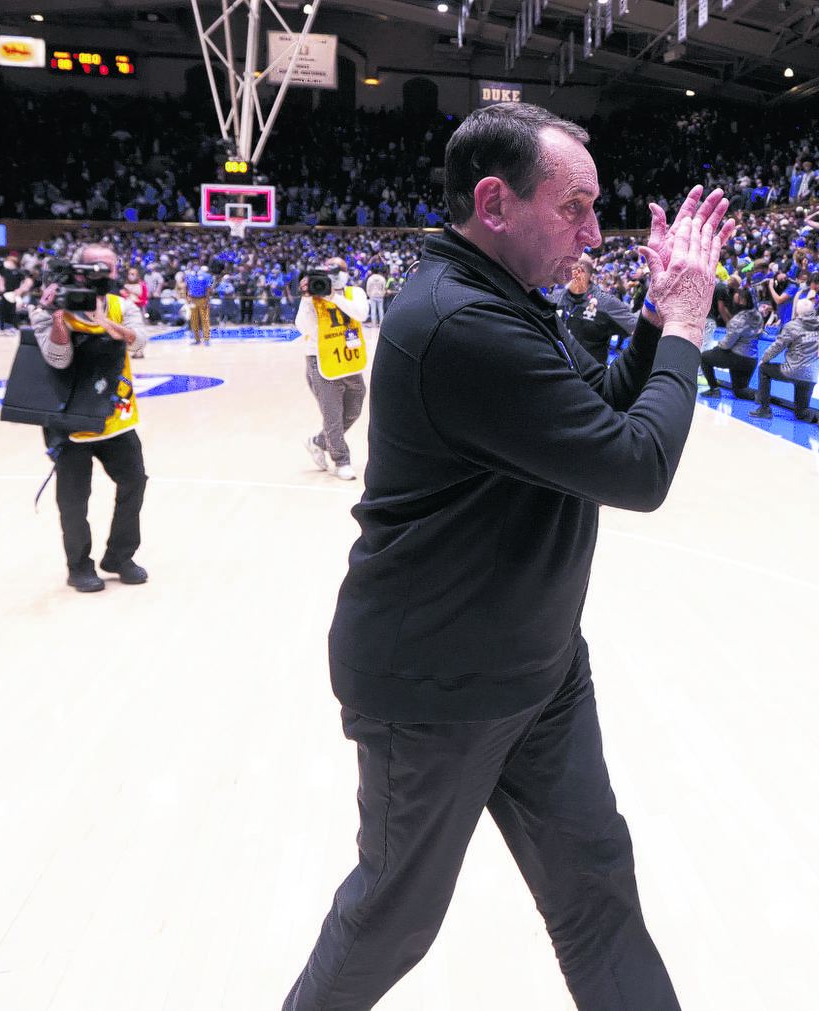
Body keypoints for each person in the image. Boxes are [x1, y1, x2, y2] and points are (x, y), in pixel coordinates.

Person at [281, 103, 732, 1011]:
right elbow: (635, 467)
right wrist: (685, 325)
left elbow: (595, 415)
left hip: (538, 666)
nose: (595, 231)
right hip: (436, 684)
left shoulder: (504, 297)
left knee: (597, 891)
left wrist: (648, 324)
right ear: (494, 201)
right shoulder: (458, 322)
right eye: (575, 207)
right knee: (392, 922)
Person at [28, 244, 149, 594]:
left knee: (135, 481)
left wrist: (103, 322)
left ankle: (120, 557)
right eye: (97, 266)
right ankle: (79, 565)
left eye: (110, 267)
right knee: (73, 498)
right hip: (69, 419)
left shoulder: (121, 305)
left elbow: (139, 343)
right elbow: (58, 360)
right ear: (77, 269)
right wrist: (55, 317)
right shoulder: (47, 311)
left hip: (115, 415)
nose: (106, 273)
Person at [297, 257, 369, 482]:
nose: (336, 274)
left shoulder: (354, 293)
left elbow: (361, 314)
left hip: (349, 359)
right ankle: (341, 460)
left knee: (354, 409)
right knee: (333, 414)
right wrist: (309, 299)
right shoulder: (312, 297)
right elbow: (303, 328)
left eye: (340, 269)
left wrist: (333, 297)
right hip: (320, 360)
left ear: (348, 272)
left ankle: (318, 442)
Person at [553, 253, 638, 366]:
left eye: (566, 268)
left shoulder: (606, 303)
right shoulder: (554, 298)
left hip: (589, 379)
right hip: (557, 374)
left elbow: (640, 330)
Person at [749, 295, 819, 423]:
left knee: (764, 369)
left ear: (797, 311)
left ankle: (764, 408)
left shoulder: (792, 326)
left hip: (793, 371)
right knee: (801, 413)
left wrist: (765, 358)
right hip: (812, 375)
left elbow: (778, 346)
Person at [699, 285, 762, 399]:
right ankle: (763, 396)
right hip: (751, 360)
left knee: (704, 357)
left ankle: (714, 389)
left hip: (737, 357)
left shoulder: (738, 320)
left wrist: (718, 347)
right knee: (740, 391)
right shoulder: (758, 316)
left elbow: (727, 344)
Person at [182, 261, 214, 344]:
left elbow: (208, 289)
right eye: (194, 265)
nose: (195, 266)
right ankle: (197, 339)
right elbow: (186, 287)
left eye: (197, 265)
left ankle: (206, 339)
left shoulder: (206, 276)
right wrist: (187, 298)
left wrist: (207, 300)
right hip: (192, 300)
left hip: (203, 299)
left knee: (205, 319)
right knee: (194, 320)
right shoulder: (188, 276)